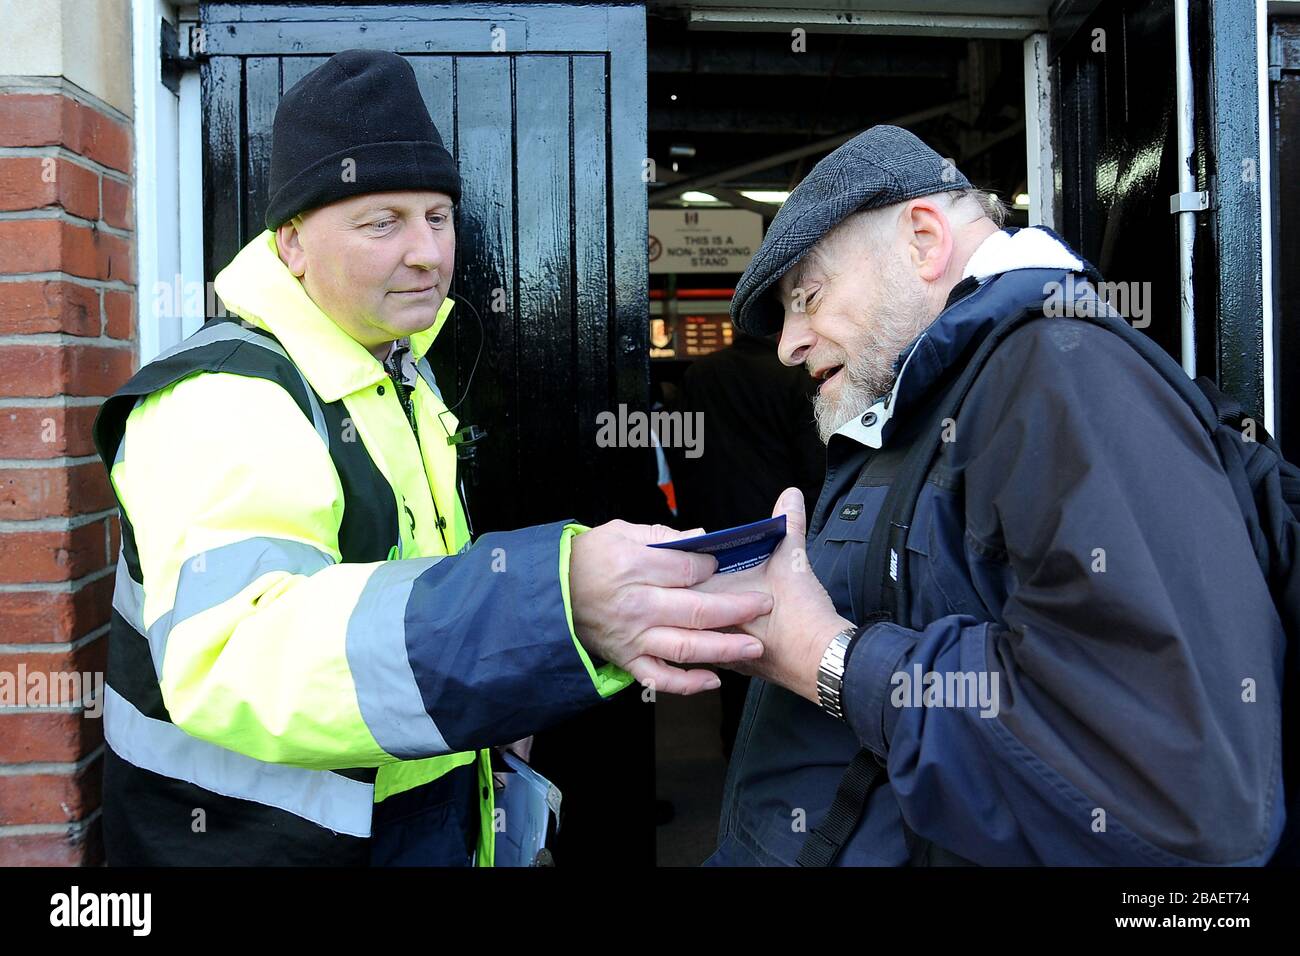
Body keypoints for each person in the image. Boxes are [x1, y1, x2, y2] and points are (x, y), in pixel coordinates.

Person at [91, 49, 769, 867]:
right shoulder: (224, 396)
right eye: (382, 221)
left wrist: (495, 708)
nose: (427, 253)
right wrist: (547, 610)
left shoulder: (392, 366)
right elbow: (240, 653)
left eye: (438, 216)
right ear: (292, 242)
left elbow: (407, 591)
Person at [696, 125, 1285, 866]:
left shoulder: (1060, 371)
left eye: (807, 297)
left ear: (922, 238)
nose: (788, 343)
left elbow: (1182, 793)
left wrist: (826, 655)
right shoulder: (945, 400)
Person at [672, 331, 824, 759]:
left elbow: (683, 450)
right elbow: (813, 463)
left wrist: (689, 518)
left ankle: (735, 742)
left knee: (730, 633)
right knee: (785, 633)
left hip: (717, 527)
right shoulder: (795, 377)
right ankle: (773, 748)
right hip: (778, 529)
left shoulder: (699, 375)